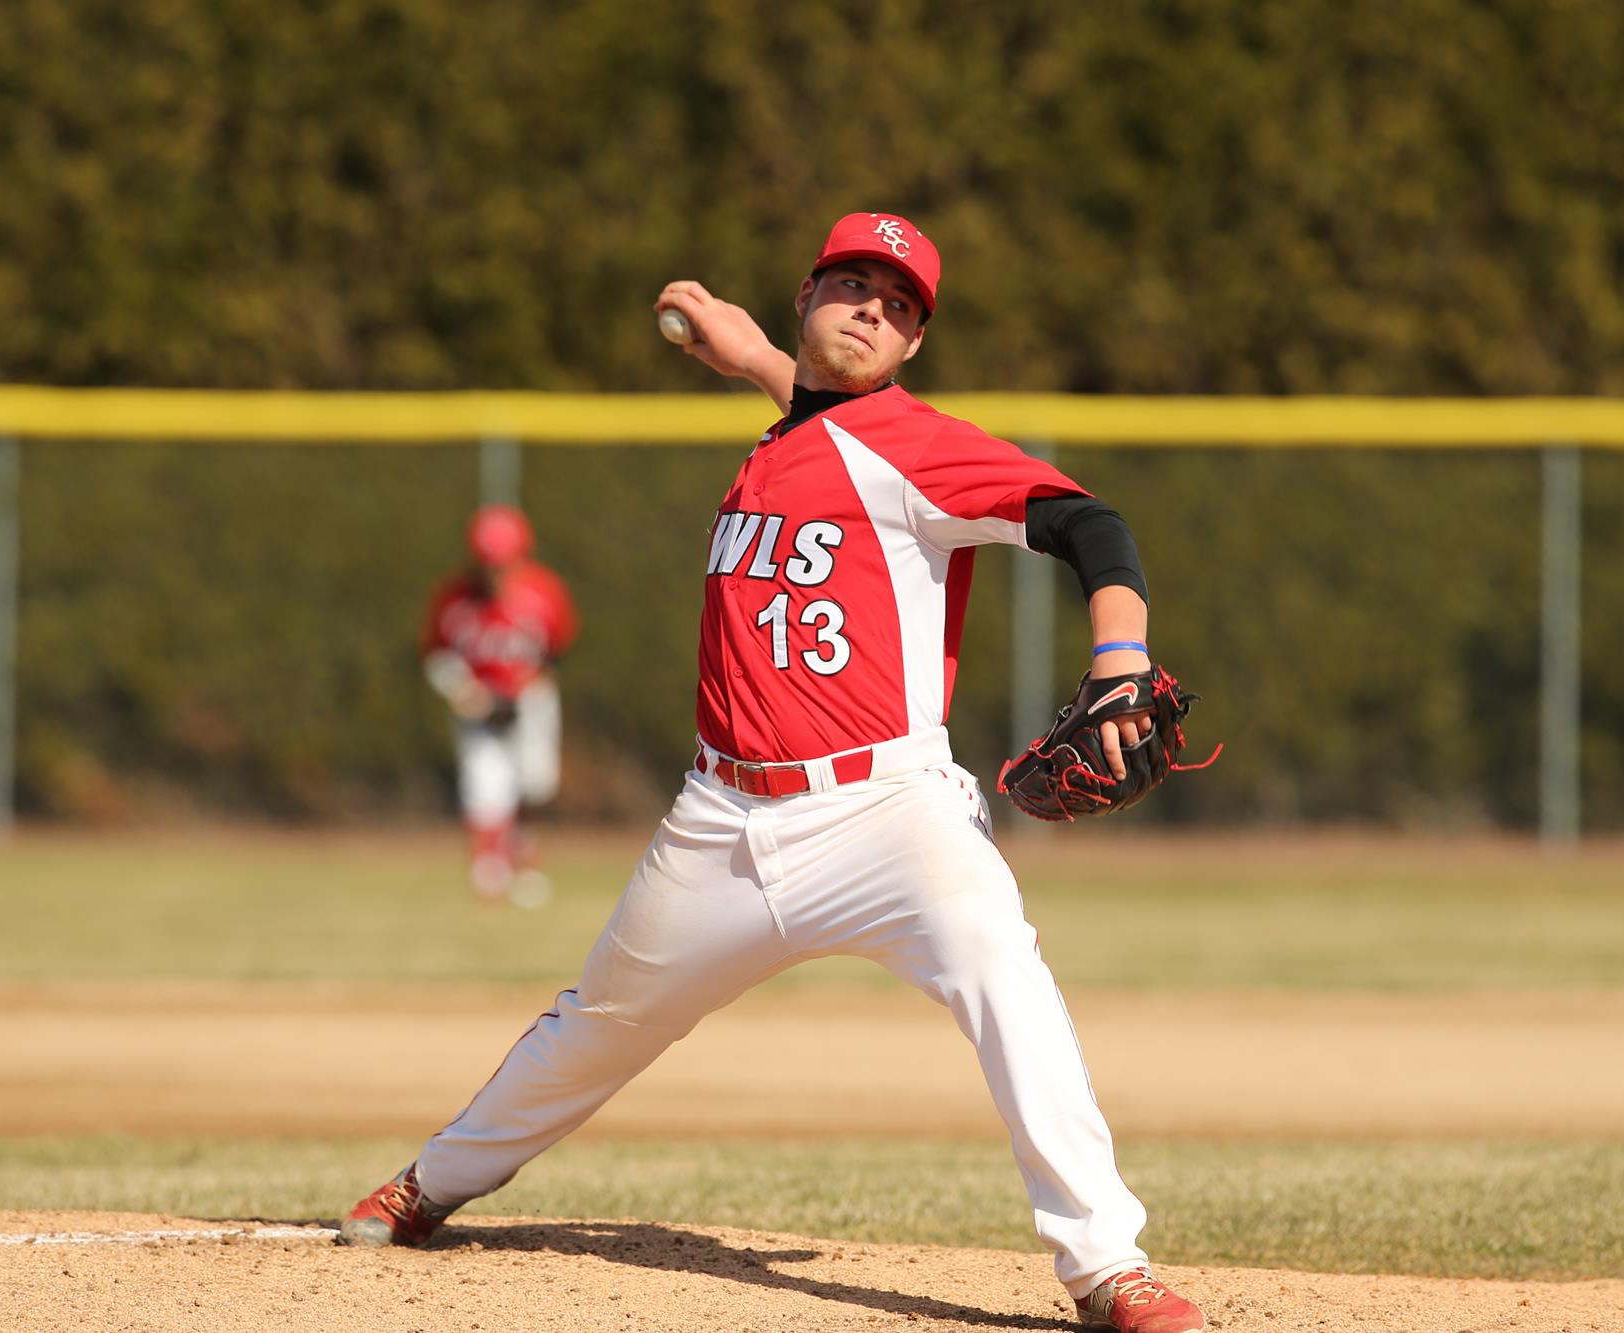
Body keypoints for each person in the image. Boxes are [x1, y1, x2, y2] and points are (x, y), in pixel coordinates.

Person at [343, 213, 1206, 1333]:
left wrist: (1120, 655)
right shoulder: (791, 429)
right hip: (720, 819)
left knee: (1007, 981)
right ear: (805, 297)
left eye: (897, 307)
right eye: (851, 285)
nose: (870, 310)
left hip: (891, 813)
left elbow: (1093, 525)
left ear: (912, 349)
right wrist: (749, 356)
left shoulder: (919, 445)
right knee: (598, 1019)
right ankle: (435, 1182)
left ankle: (1107, 1268)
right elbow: (810, 411)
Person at [417, 504, 578, 906]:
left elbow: (556, 651)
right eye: (489, 562)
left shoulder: (543, 591)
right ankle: (489, 866)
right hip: (478, 701)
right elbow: (435, 653)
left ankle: (522, 856)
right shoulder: (454, 597)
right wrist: (464, 691)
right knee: (484, 783)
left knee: (534, 782)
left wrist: (528, 689)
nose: (495, 571)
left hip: (530, 700)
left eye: (503, 562)